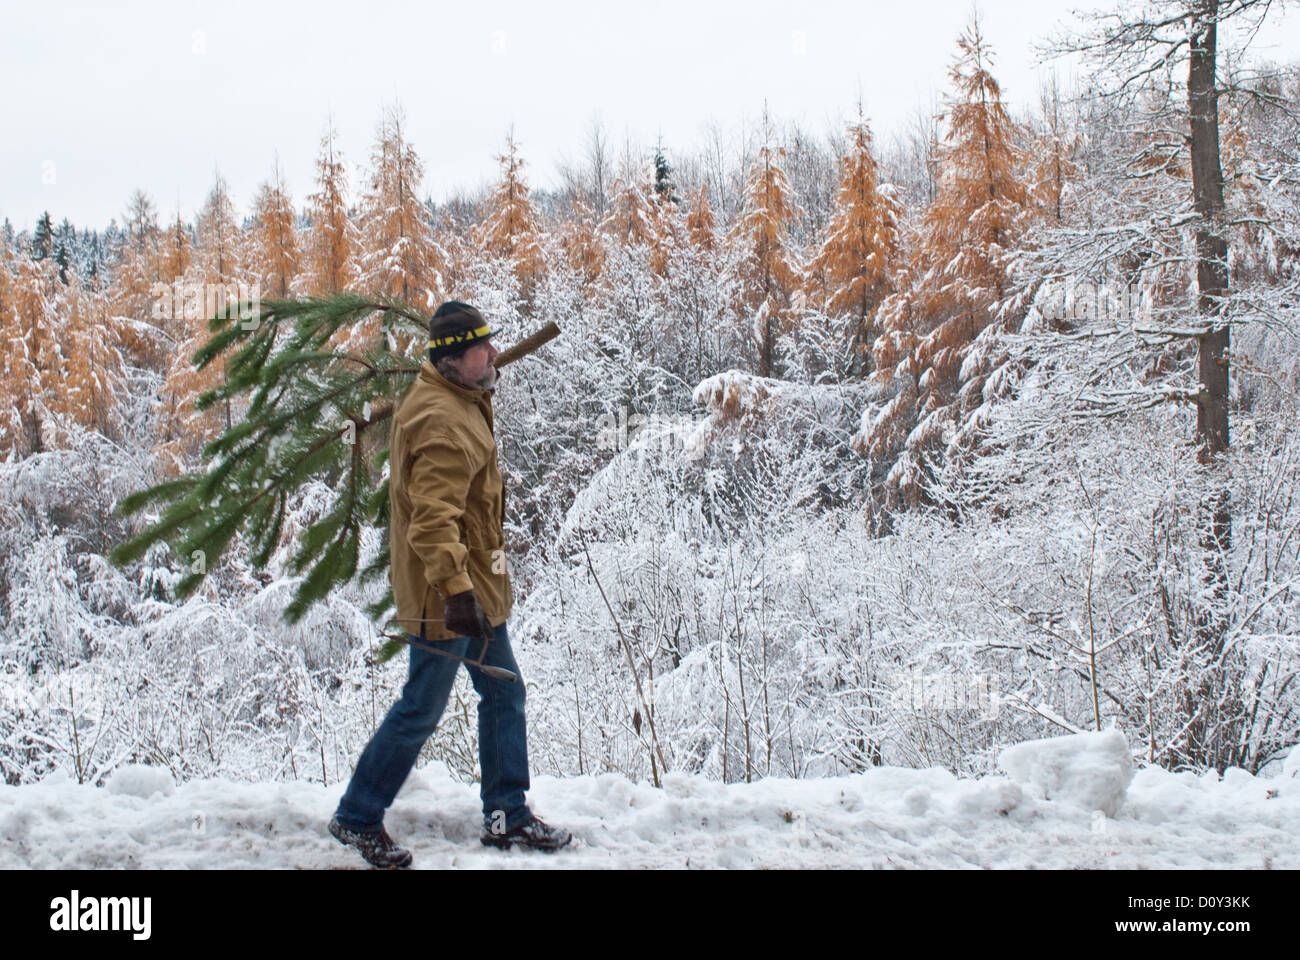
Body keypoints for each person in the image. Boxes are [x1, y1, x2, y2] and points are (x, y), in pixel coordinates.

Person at [328, 300, 572, 868]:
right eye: (482, 349)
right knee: (421, 707)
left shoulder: (457, 397)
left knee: (504, 691)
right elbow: (433, 521)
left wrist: (471, 588)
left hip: (474, 586)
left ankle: (506, 814)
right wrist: (458, 593)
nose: (493, 354)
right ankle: (357, 816)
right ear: (453, 360)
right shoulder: (442, 421)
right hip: (449, 596)